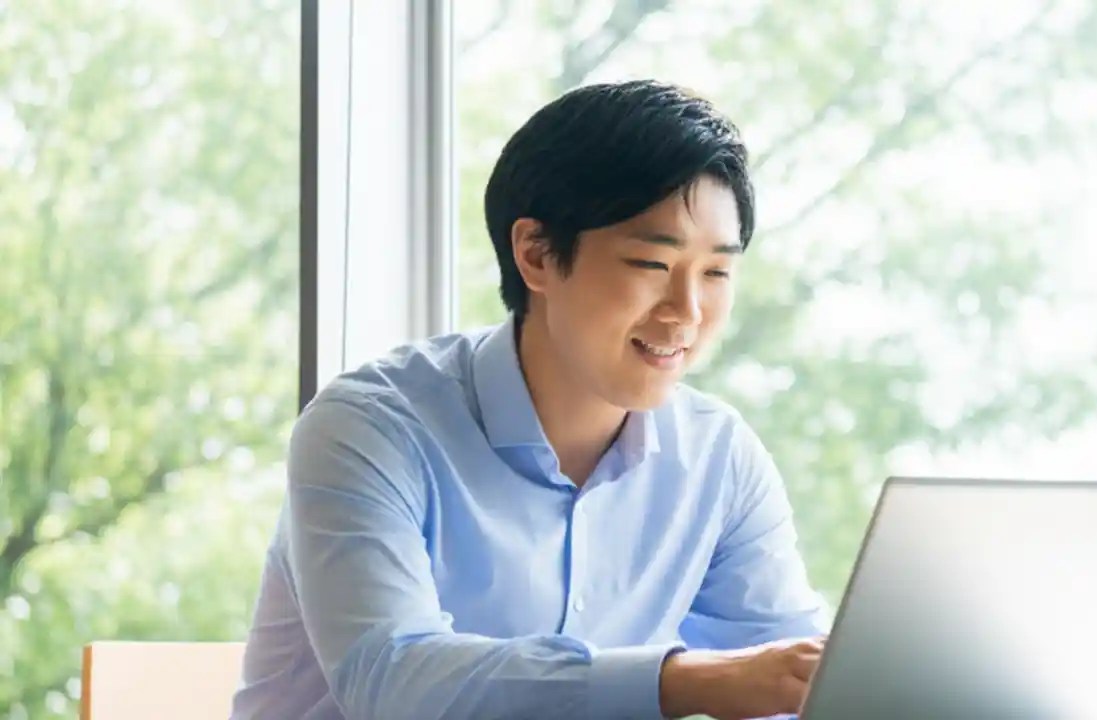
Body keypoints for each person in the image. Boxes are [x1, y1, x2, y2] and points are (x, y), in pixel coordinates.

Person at [232, 79, 829, 720]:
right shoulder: (368, 428)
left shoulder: (719, 456)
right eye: (652, 266)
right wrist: (681, 681)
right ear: (536, 254)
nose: (687, 311)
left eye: (716, 273)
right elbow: (394, 679)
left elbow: (790, 676)